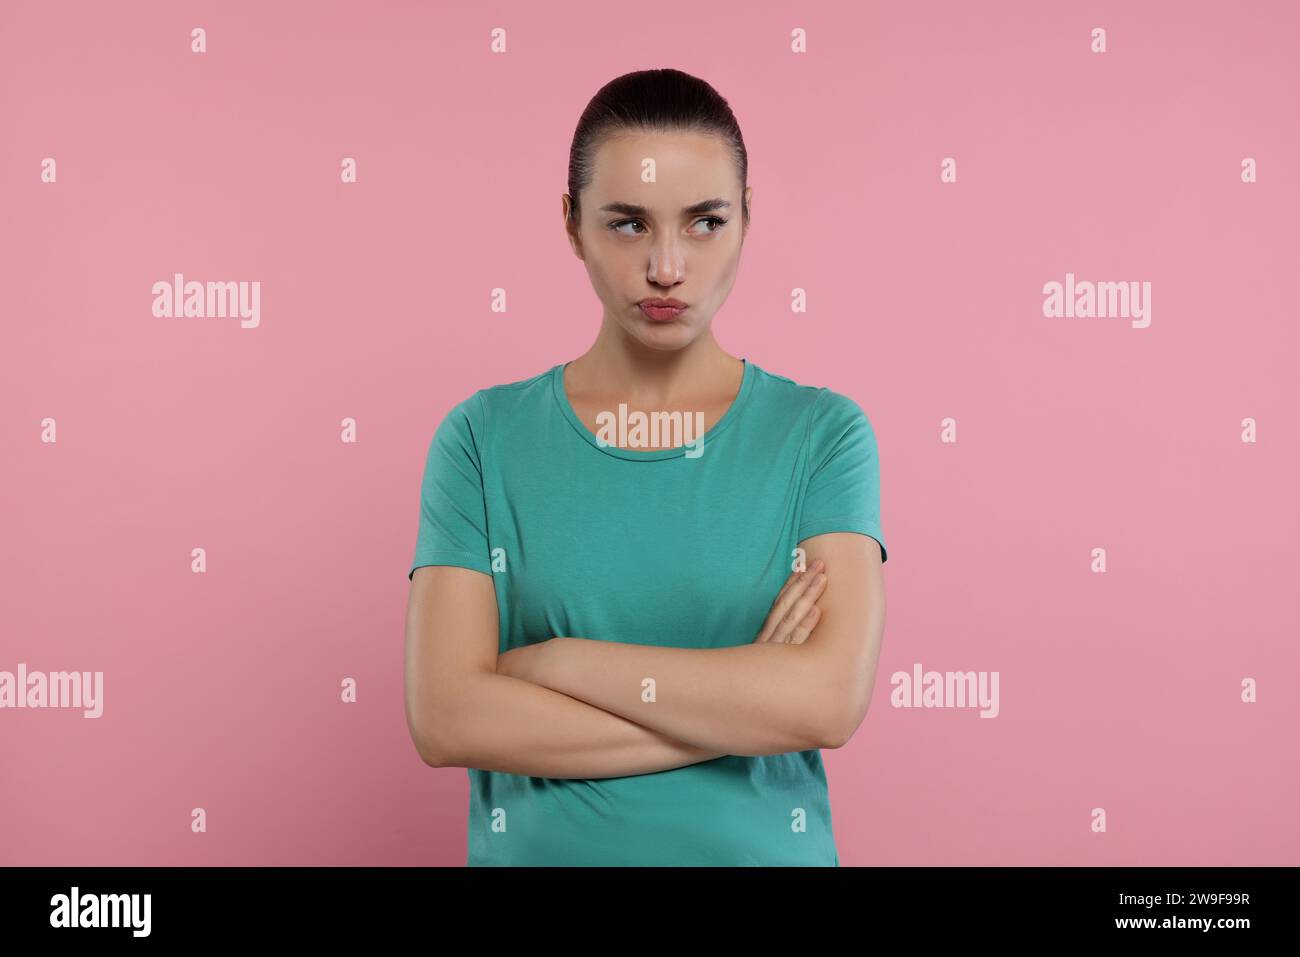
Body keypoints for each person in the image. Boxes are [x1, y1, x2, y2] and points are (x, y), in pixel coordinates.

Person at [403, 68, 888, 866]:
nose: (667, 266)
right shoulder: (481, 439)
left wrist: (557, 665)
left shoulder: (821, 436)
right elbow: (448, 718)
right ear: (571, 224)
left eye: (704, 222)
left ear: (747, 219)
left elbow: (827, 703)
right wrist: (741, 703)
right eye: (628, 224)